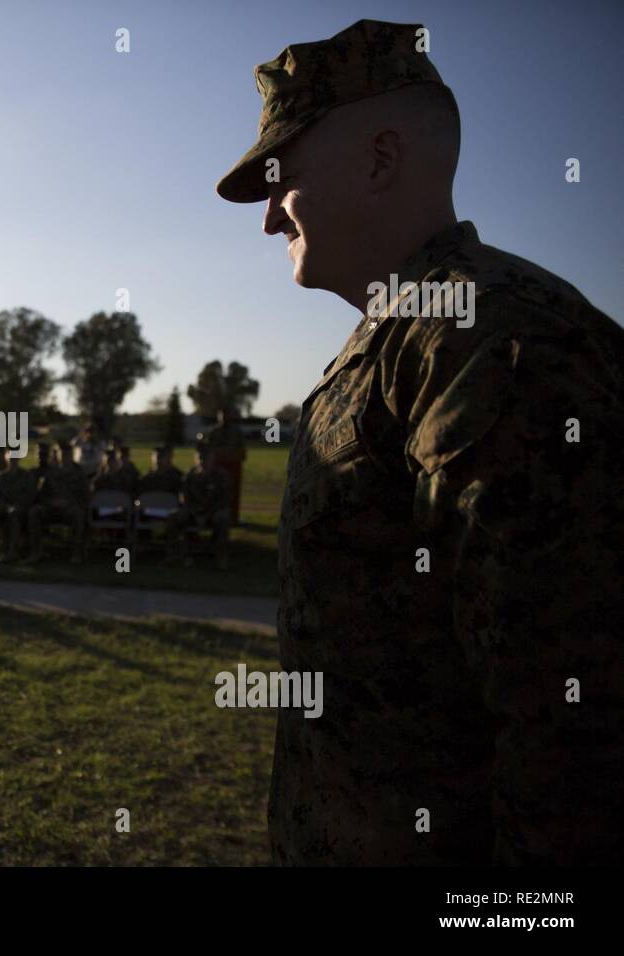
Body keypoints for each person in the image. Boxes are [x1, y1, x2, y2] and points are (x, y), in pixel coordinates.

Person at [218, 18, 624, 864]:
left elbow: (568, 723)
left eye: (279, 174)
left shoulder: (493, 336)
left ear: (379, 157)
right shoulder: (408, 332)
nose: (266, 219)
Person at [165, 445, 230, 570]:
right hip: (194, 512)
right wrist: (196, 513)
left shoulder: (221, 476)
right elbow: (185, 498)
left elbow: (224, 500)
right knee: (174, 517)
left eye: (206, 459)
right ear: (195, 459)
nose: (202, 462)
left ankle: (219, 557)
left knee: (223, 518)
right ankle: (176, 555)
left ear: (213, 459)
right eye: (199, 458)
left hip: (213, 512)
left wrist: (207, 514)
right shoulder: (190, 476)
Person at [27, 441, 87, 563]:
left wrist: (69, 502)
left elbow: (85, 495)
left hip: (69, 509)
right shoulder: (49, 473)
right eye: (62, 454)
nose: (64, 457)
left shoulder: (79, 473)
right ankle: (36, 552)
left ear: (71, 455)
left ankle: (76, 554)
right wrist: (50, 502)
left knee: (78, 514)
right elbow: (40, 494)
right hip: (51, 509)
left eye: (67, 454)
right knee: (35, 512)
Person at [0, 452, 36, 562]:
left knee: (14, 515)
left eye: (15, 459)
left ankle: (12, 551)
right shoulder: (0, 477)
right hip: (3, 506)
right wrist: (2, 504)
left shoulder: (26, 476)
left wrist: (19, 503)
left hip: (19, 507)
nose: (13, 461)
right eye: (11, 459)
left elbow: (30, 495)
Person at [205, 408, 246, 524]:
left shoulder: (237, 431)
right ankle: (217, 517)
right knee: (218, 492)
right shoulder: (214, 431)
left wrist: (234, 453)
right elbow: (209, 448)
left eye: (226, 416)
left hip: (234, 466)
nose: (224, 418)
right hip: (218, 466)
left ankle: (234, 517)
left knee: (234, 491)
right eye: (222, 416)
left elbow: (242, 449)